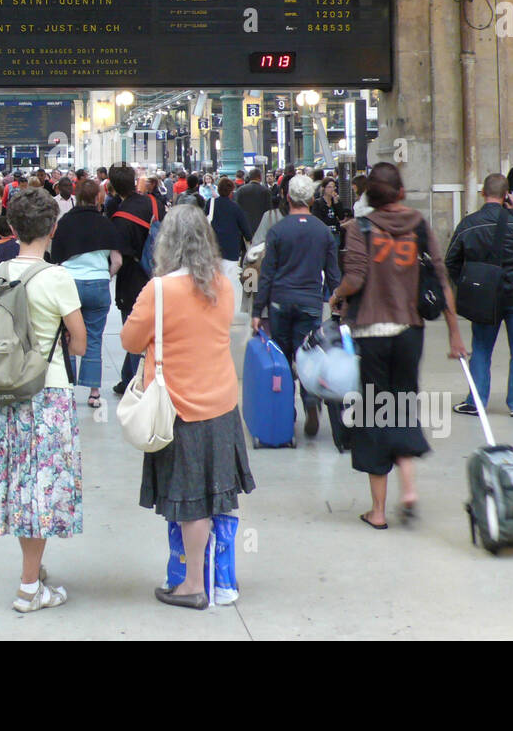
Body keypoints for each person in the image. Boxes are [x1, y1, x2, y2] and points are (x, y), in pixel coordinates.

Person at [121, 204, 256, 609]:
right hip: (223, 404)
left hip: (179, 410)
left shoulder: (159, 291)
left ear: (167, 244)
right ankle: (224, 581)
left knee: (192, 503)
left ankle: (192, 584)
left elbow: (129, 341)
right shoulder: (223, 285)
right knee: (221, 498)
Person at [328, 163, 468, 529]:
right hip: (410, 330)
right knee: (403, 405)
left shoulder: (359, 227)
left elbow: (355, 278)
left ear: (368, 196)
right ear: (401, 192)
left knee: (375, 415)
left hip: (372, 333)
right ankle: (409, 490)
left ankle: (377, 511)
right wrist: (454, 332)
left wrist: (337, 294)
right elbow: (440, 275)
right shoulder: (419, 225)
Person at [0, 186, 86, 613]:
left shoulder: (0, 272)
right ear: (52, 229)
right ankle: (30, 588)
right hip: (48, 391)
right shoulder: (58, 278)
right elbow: (80, 343)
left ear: (11, 228)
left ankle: (33, 566)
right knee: (43, 488)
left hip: (10, 391)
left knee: (19, 483)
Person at [251, 174, 342, 440]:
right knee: (307, 357)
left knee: (282, 358)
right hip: (310, 303)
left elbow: (266, 274)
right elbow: (333, 274)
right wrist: (340, 303)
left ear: (287, 198)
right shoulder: (323, 231)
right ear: (312, 200)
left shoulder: (277, 231)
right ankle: (311, 403)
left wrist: (258, 311)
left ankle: (285, 412)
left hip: (280, 301)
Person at [446, 173, 513, 417]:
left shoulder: (469, 224)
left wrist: (467, 284)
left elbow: (451, 261)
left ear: (482, 193)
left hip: (484, 296)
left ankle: (476, 402)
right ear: (507, 194)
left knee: (481, 349)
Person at [51, 179, 121, 409]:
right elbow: (117, 261)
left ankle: (67, 388)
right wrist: (106, 275)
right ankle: (93, 392)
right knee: (94, 337)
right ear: (98, 197)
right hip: (98, 284)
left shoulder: (66, 222)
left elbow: (55, 257)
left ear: (76, 195)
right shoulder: (106, 224)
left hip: (69, 284)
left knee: (68, 336)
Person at [109, 164, 157, 395]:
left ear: (113, 187)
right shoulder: (153, 203)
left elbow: (117, 259)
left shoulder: (119, 218)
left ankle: (129, 378)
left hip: (131, 280)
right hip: (158, 274)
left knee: (132, 327)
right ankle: (147, 373)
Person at [206, 176, 252, 314]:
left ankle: (214, 305)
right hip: (231, 250)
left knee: (214, 278)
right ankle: (225, 308)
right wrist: (249, 239)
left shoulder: (210, 203)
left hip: (213, 248)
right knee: (228, 280)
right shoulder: (235, 208)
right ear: (232, 191)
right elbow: (246, 230)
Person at [234, 167, 273, 238]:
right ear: (260, 177)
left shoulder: (240, 190)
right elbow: (269, 211)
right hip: (261, 228)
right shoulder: (265, 191)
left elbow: (236, 210)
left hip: (244, 228)